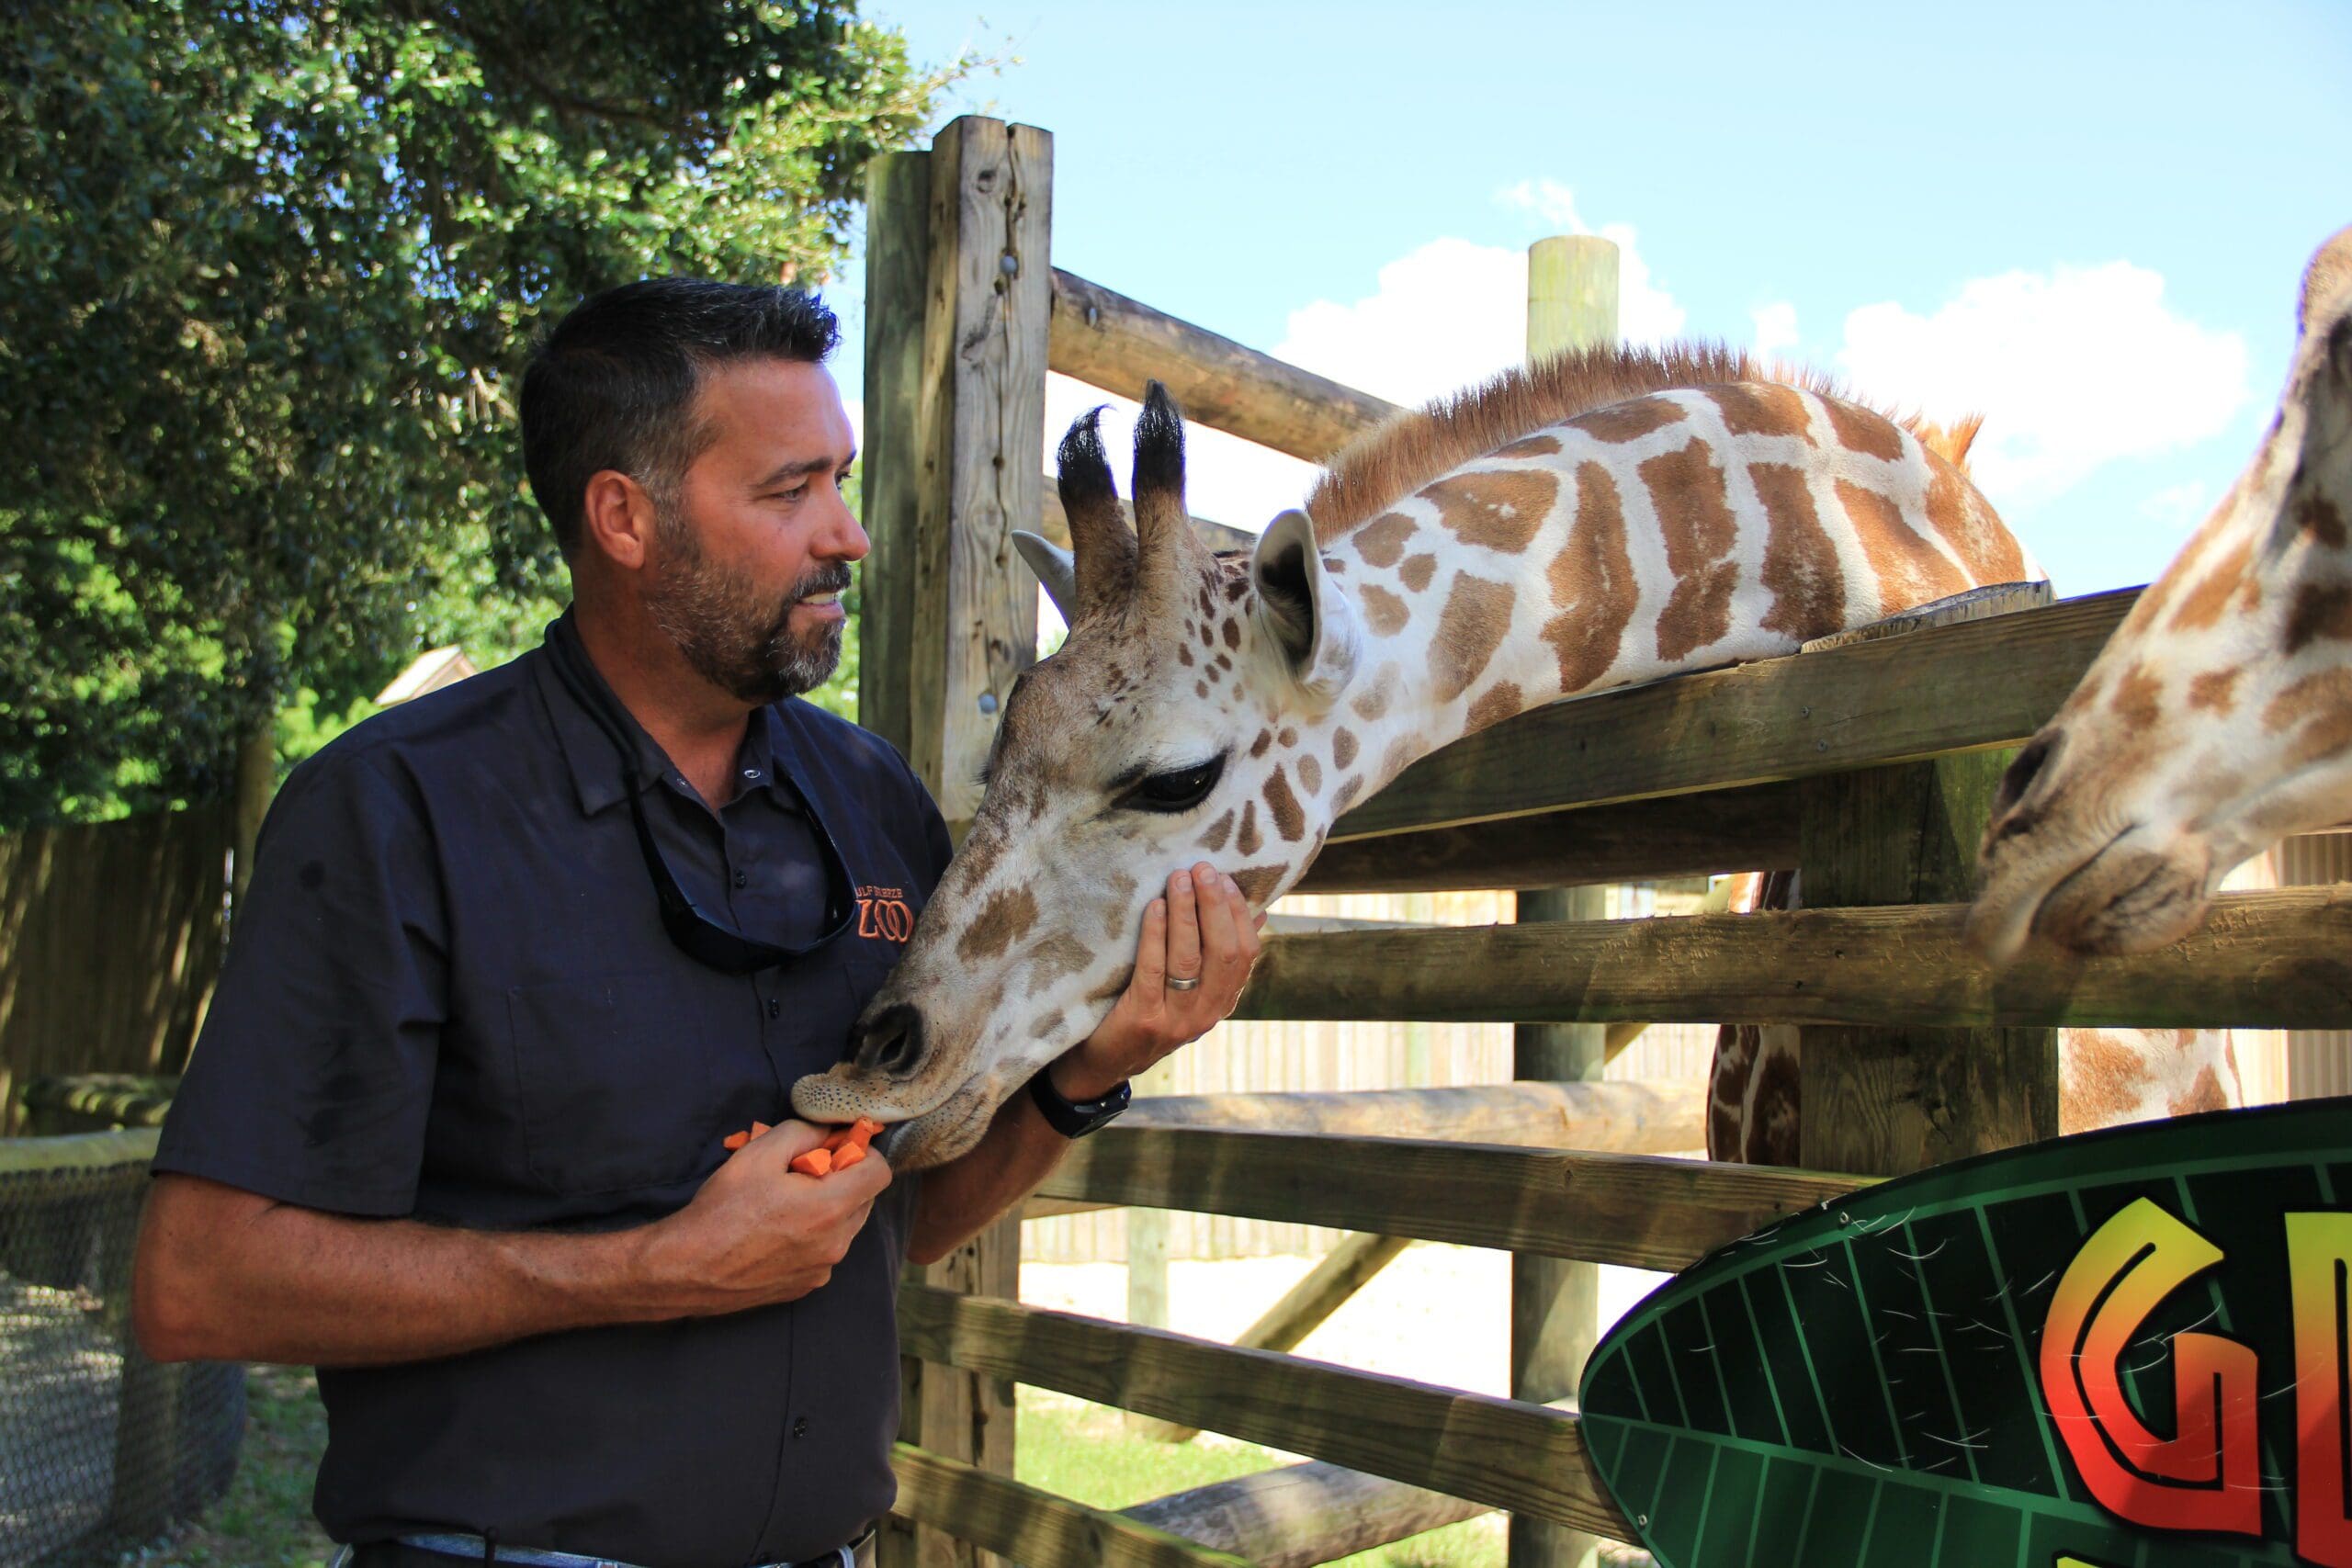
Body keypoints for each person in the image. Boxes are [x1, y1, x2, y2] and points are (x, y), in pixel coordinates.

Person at [130, 279, 1262, 1568]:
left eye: (840, 479)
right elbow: (196, 1282)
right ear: (626, 516)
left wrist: (1089, 1075)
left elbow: (883, 1232)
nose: (848, 535)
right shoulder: (397, 811)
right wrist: (653, 1266)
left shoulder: (876, 802)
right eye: (789, 493)